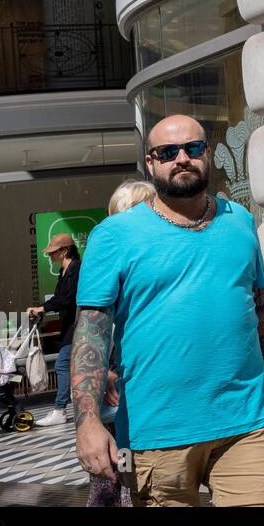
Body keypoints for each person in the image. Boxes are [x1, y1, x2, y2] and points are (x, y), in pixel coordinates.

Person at [71, 114, 264, 507]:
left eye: (193, 148)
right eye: (167, 152)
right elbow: (91, 335)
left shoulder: (240, 222)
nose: (182, 158)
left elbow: (261, 315)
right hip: (157, 434)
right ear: (151, 163)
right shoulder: (114, 236)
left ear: (208, 155)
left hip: (246, 424)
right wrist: (86, 421)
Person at [84, 178, 155, 508]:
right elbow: (94, 331)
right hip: (117, 396)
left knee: (122, 483)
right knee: (111, 481)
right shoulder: (109, 255)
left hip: (140, 399)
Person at [28, 232, 80, 426]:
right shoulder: (64, 271)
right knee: (73, 366)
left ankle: (59, 410)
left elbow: (68, 299)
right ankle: (75, 403)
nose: (49, 255)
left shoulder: (76, 269)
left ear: (64, 251)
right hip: (69, 326)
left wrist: (43, 308)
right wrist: (42, 307)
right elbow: (59, 297)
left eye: (53, 252)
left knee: (62, 364)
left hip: (78, 325)